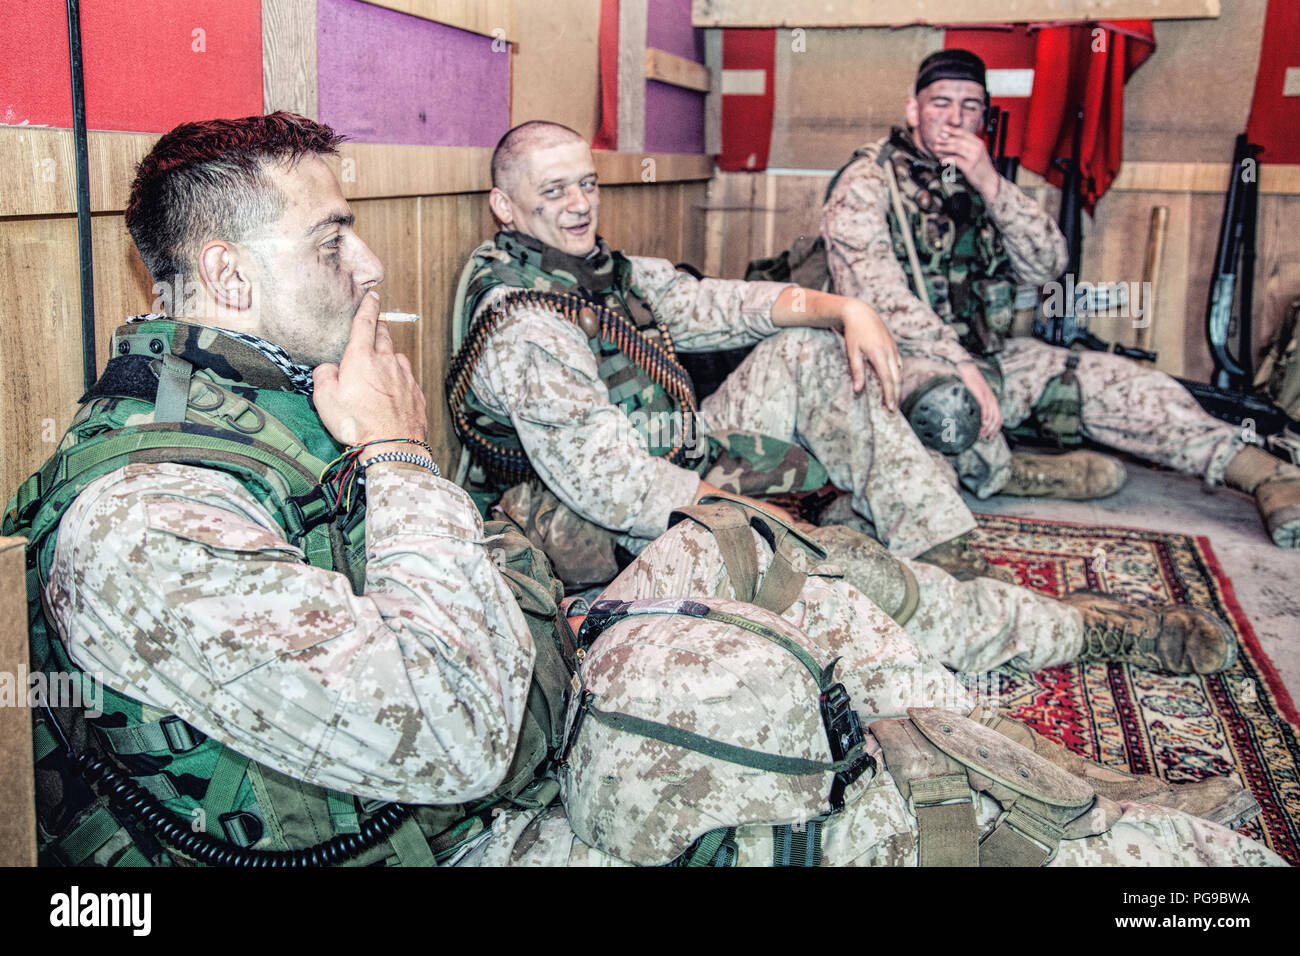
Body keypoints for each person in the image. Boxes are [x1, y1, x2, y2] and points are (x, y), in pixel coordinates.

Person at [8, 112, 1257, 870]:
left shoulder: (284, 395)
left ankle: (1049, 729)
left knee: (798, 603)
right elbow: (455, 734)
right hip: (477, 811)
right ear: (224, 277)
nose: (371, 259)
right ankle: (1075, 831)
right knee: (808, 786)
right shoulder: (146, 525)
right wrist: (396, 455)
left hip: (535, 681)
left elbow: (695, 310)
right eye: (333, 236)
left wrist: (818, 314)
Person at [449, 120, 1237, 679]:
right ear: (506, 207)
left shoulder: (594, 270)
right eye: (555, 190)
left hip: (674, 455)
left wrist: (841, 308)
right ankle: (1062, 630)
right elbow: (618, 492)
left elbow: (719, 304)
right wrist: (754, 512)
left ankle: (942, 546)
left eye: (586, 182)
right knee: (850, 575)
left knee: (808, 349)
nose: (581, 203)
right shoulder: (527, 325)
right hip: (622, 538)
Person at [820, 48, 1300, 547]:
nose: (956, 119)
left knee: (1123, 385)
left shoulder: (978, 181)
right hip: (902, 367)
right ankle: (993, 474)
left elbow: (1048, 265)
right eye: (941, 103)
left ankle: (1266, 473)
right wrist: (956, 364)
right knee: (945, 414)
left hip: (991, 361)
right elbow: (873, 296)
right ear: (913, 110)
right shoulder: (869, 180)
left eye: (971, 107)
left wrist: (989, 182)